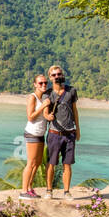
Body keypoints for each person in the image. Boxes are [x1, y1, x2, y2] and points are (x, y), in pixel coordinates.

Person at [42, 63, 81, 199]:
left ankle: (66, 191)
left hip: (70, 133)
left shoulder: (71, 91)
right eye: (54, 75)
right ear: (50, 77)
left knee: (67, 164)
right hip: (54, 134)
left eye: (59, 74)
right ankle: (49, 190)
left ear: (62, 75)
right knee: (51, 163)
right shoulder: (47, 94)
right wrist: (48, 116)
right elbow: (45, 113)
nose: (57, 77)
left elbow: (75, 111)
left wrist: (78, 130)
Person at [19, 75, 49, 199]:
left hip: (40, 134)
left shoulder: (44, 98)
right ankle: (24, 191)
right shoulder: (33, 97)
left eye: (45, 83)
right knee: (30, 163)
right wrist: (42, 106)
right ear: (35, 84)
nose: (43, 85)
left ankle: (30, 189)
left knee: (37, 163)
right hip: (32, 133)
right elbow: (30, 117)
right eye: (40, 83)